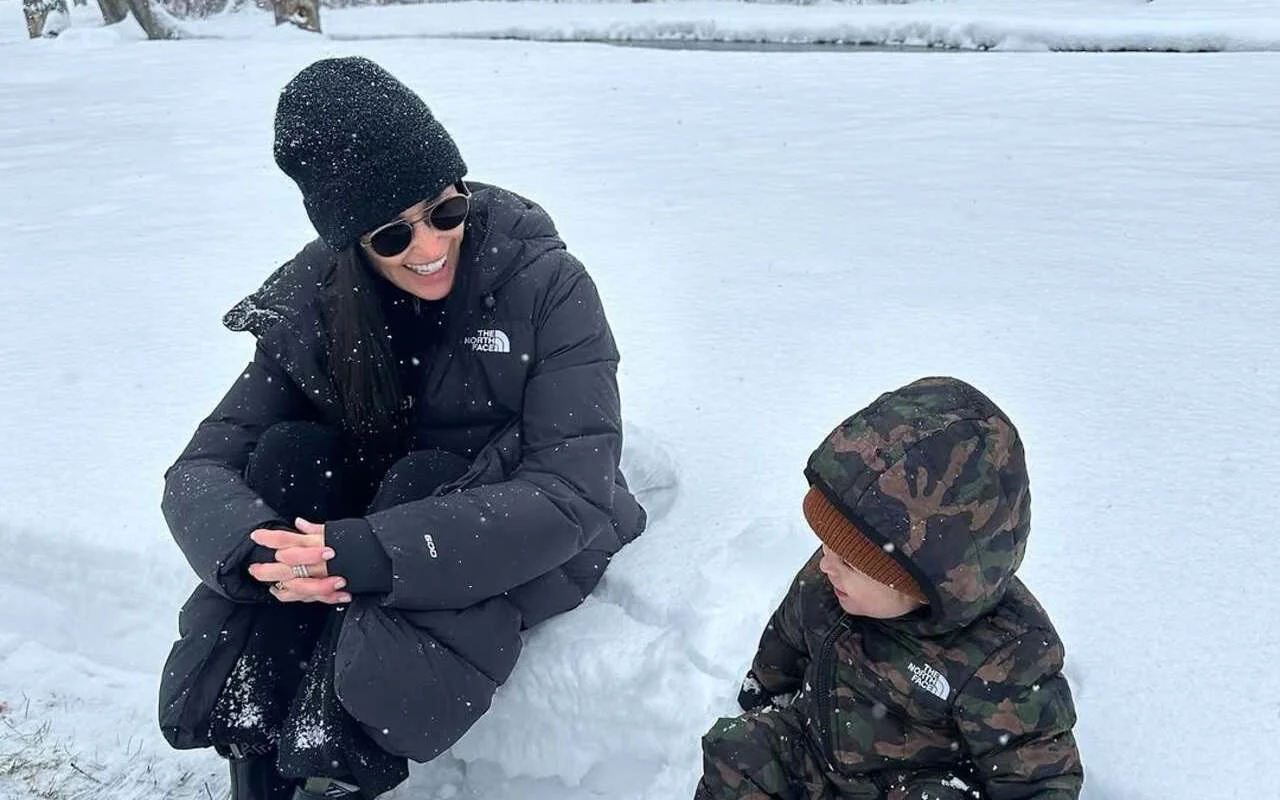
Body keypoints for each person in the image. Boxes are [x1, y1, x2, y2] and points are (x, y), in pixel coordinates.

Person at [157, 56, 645, 800]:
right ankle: (256, 745)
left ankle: (334, 756)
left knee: (420, 479)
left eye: (445, 211)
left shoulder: (546, 285)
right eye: (392, 235)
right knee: (288, 456)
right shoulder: (314, 299)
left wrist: (370, 552)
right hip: (355, 536)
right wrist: (261, 551)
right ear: (350, 241)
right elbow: (199, 470)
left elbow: (573, 491)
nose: (428, 245)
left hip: (500, 528)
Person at [695, 377, 1083, 800]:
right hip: (815, 758)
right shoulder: (830, 581)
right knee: (739, 750)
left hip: (905, 786)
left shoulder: (1004, 656)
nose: (826, 565)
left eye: (846, 560)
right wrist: (762, 695)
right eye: (825, 548)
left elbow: (1039, 777)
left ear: (918, 584)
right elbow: (786, 640)